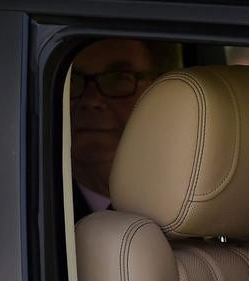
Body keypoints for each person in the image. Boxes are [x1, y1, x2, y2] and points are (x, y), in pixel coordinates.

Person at [70, 39, 181, 219]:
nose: (91, 100)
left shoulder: (203, 213)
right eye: (73, 79)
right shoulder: (27, 210)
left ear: (164, 91)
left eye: (119, 78)